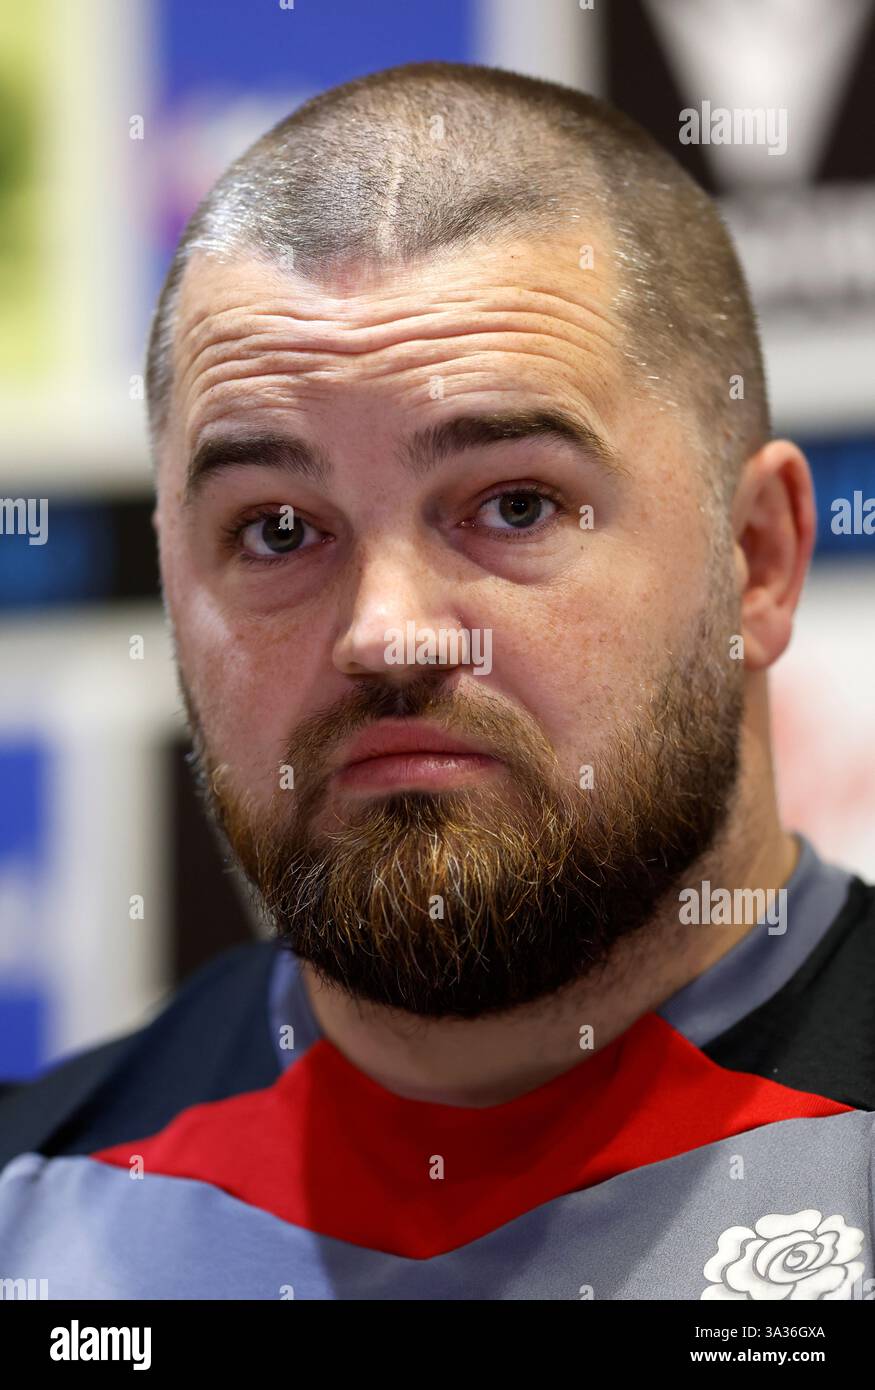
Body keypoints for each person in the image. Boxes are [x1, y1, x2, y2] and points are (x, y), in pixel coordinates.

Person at [1, 61, 872, 1302]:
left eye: (512, 505)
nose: (389, 632)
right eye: (277, 530)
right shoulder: (33, 1218)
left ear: (758, 561)